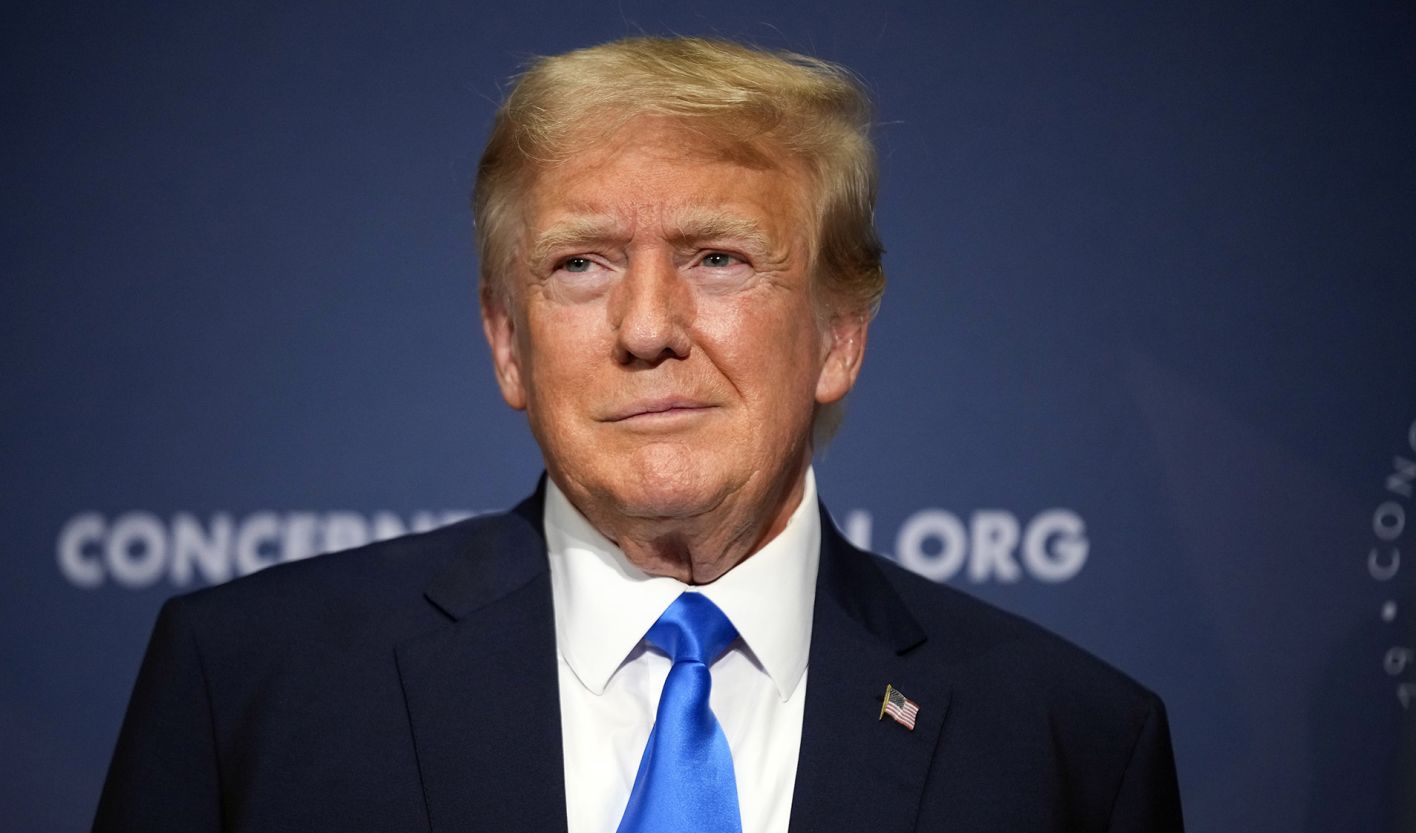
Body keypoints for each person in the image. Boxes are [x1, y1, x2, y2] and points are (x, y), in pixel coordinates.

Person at [93, 36, 1184, 833]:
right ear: (507, 341)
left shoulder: (1067, 744)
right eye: (581, 263)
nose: (649, 327)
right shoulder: (249, 685)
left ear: (837, 335)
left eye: (718, 256)